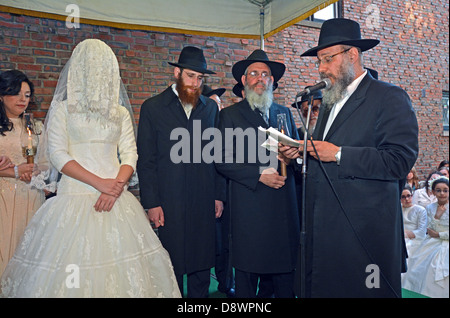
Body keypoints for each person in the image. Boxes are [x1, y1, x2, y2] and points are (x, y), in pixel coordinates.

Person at [0, 39, 181, 298]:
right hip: (75, 195)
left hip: (116, 197)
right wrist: (102, 184)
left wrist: (115, 187)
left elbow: (131, 153)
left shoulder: (119, 112)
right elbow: (58, 155)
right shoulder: (63, 110)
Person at [279, 18, 418, 297]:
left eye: (328, 59)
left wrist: (339, 154)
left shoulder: (389, 97)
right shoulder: (330, 102)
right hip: (324, 233)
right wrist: (299, 156)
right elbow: (322, 159)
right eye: (319, 60)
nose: (321, 68)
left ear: (352, 55)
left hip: (363, 236)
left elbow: (399, 160)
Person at [137, 46, 226, 298]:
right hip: (169, 201)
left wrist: (218, 195)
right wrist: (151, 203)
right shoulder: (152, 107)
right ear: (177, 73)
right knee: (171, 264)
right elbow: (147, 160)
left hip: (203, 198)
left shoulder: (210, 108)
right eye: (190, 76)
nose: (195, 83)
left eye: (200, 78)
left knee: (201, 264)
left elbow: (216, 155)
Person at [215, 49, 300, 298]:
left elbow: (294, 152)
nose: (260, 78)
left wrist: (293, 157)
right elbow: (220, 158)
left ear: (272, 81)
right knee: (248, 282)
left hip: (283, 211)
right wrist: (258, 175)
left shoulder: (284, 112)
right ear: (243, 80)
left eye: (265, 74)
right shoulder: (228, 115)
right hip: (249, 212)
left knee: (284, 281)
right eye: (254, 73)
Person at [0, 70, 45, 276]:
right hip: (4, 198)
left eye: (27, 95)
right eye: (16, 93)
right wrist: (15, 170)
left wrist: (36, 169)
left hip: (32, 197)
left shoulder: (35, 127)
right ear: (2, 94)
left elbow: (48, 161)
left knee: (31, 254)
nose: (22, 99)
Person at [402, 176, 449, 298]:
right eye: (438, 190)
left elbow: (435, 232)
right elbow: (430, 227)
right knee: (418, 264)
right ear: (433, 192)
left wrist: (439, 234)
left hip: (444, 241)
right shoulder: (430, 207)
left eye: (445, 190)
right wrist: (437, 216)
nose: (442, 193)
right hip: (432, 242)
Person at [400, 185, 427, 261]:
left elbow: (421, 232)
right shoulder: (398, 209)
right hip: (399, 238)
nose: (407, 199)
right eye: (403, 197)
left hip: (415, 239)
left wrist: (403, 234)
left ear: (412, 195)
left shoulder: (420, 210)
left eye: (409, 196)